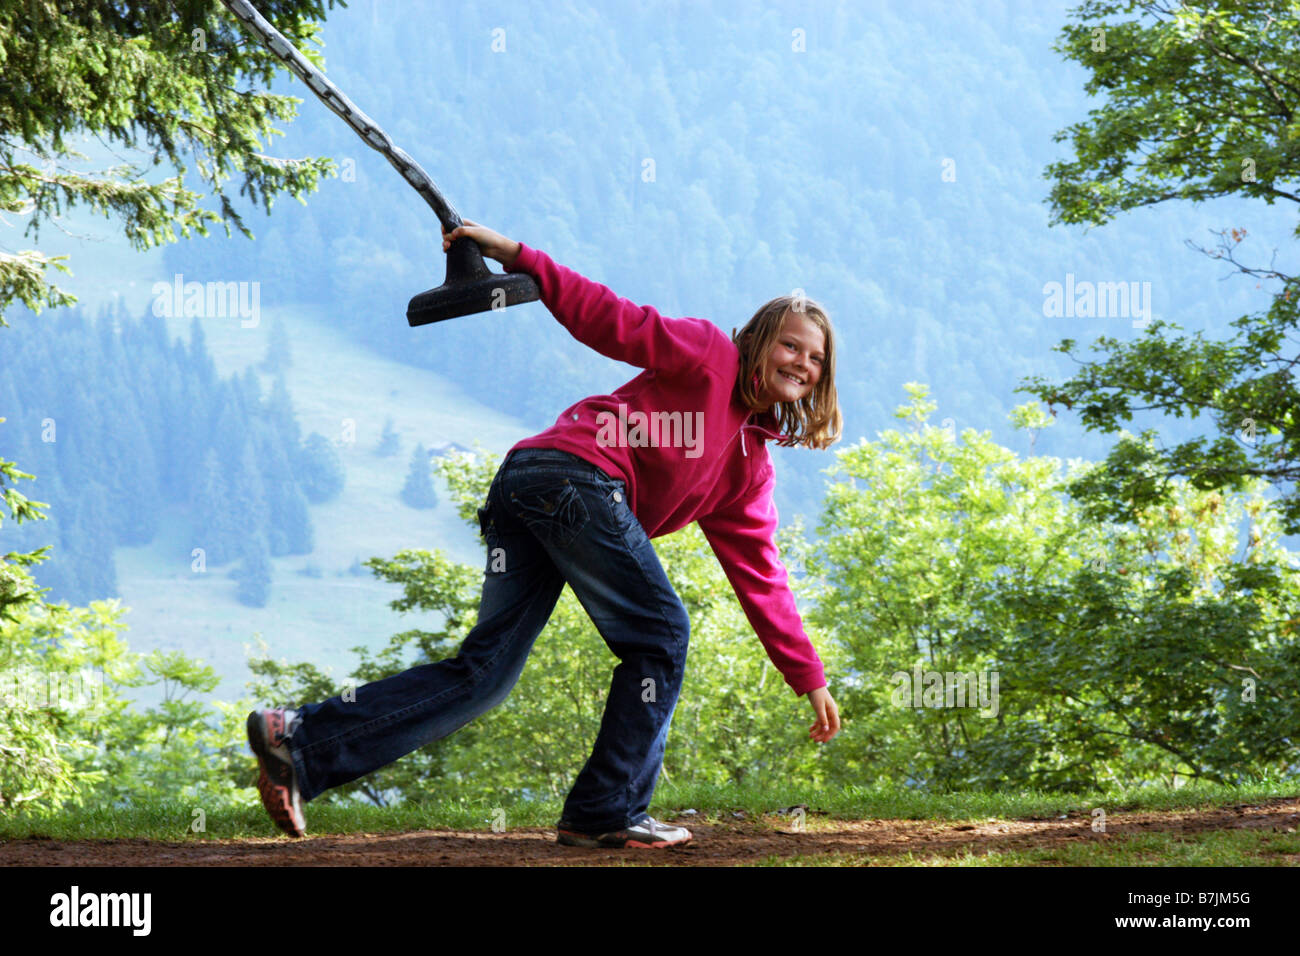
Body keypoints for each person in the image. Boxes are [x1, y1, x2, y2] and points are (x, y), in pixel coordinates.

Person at [247, 220, 843, 849]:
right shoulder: (708, 353)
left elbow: (762, 576)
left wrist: (808, 675)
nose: (801, 363)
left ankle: (302, 741)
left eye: (815, 357)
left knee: (485, 674)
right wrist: (516, 255)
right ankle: (607, 809)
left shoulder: (747, 470)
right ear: (756, 341)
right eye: (790, 345)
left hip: (531, 490)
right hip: (571, 480)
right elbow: (610, 317)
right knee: (661, 633)